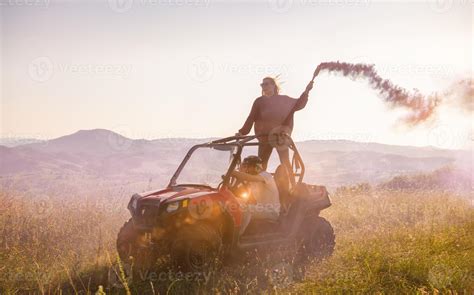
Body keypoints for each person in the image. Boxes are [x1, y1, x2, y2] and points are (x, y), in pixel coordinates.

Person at [236, 76, 314, 185]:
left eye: (266, 84)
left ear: (273, 85)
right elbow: (251, 118)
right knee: (261, 165)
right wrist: (242, 132)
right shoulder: (259, 102)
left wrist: (306, 91)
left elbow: (298, 104)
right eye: (262, 85)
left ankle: (293, 188)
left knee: (285, 163)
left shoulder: (283, 100)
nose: (264, 86)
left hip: (280, 138)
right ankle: (260, 189)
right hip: (264, 138)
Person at [231, 155, 280, 235]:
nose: (246, 169)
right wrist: (237, 174)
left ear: (256, 167)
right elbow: (236, 187)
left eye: (248, 167)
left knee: (247, 210)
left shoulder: (266, 175)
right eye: (245, 167)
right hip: (260, 208)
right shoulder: (251, 178)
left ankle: (236, 237)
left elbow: (249, 178)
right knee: (234, 201)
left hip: (271, 210)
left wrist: (234, 172)